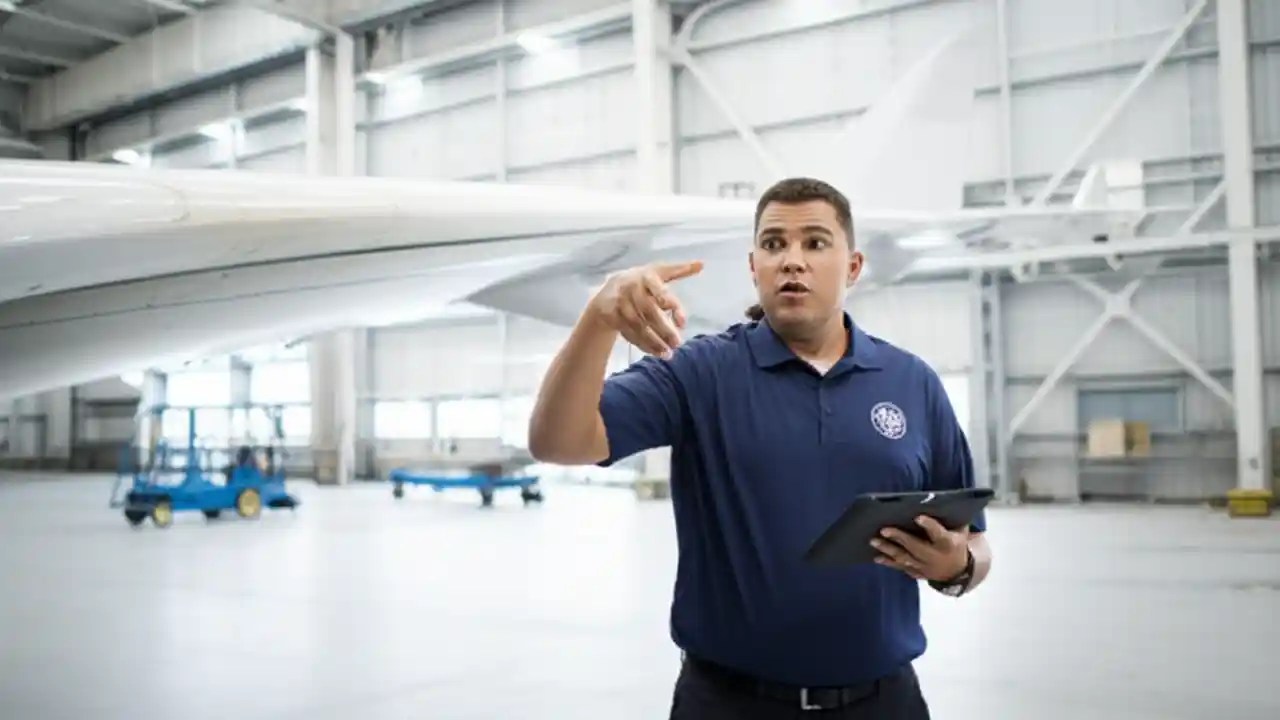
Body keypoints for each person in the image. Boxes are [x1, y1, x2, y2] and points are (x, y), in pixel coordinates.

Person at [528, 177, 992, 718]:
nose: (792, 261)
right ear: (754, 267)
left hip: (883, 701)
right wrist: (596, 323)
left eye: (816, 243)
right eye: (774, 245)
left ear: (854, 267)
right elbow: (556, 441)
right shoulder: (701, 372)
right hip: (729, 703)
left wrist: (956, 565)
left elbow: (977, 543)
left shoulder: (913, 383)